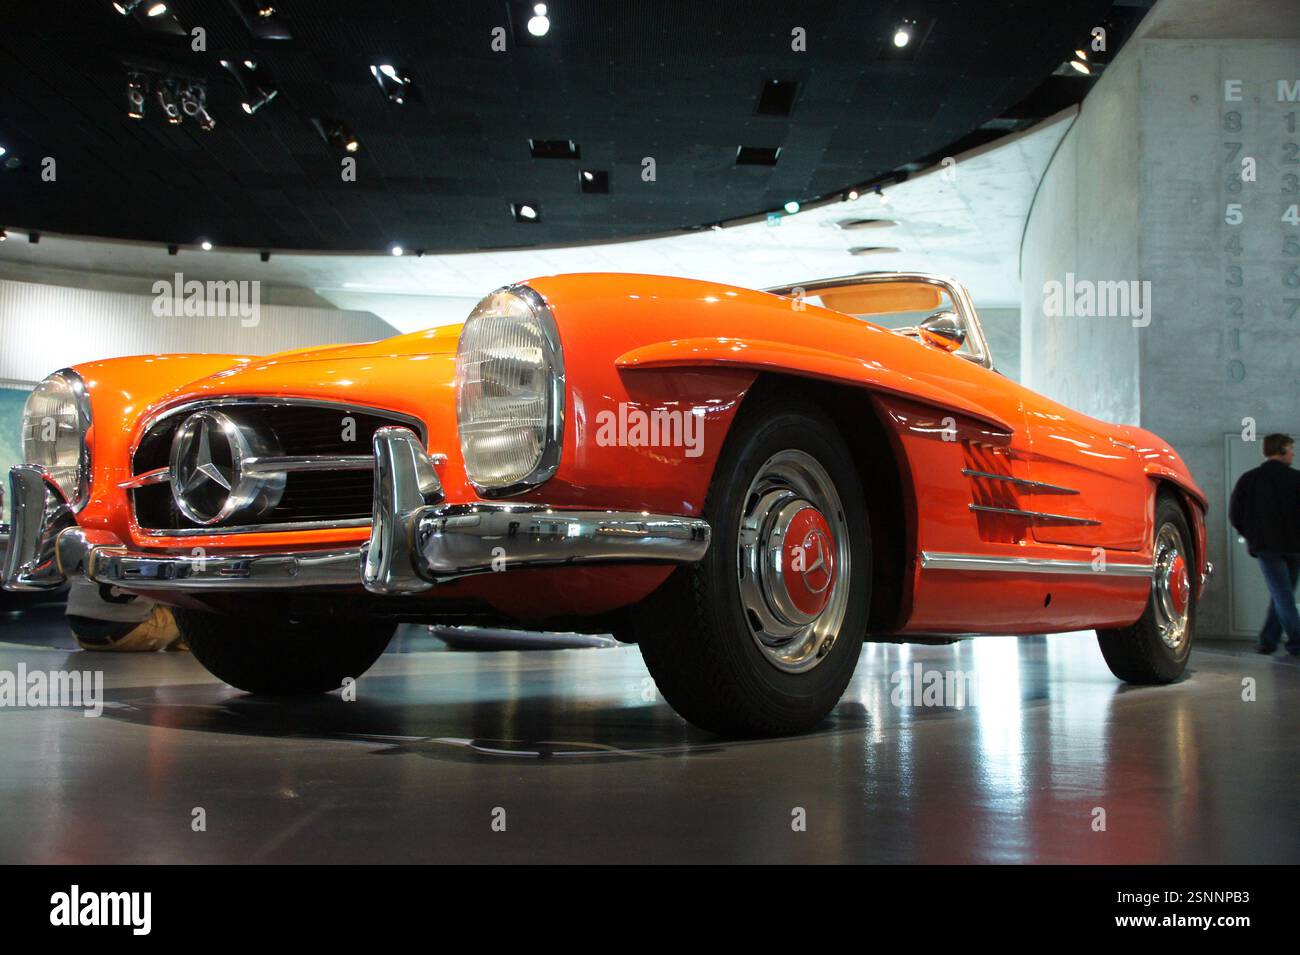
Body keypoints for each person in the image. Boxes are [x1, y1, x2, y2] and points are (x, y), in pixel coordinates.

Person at [1229, 433, 1300, 655]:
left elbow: (1235, 514)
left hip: (1266, 547)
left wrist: (1249, 535)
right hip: (1295, 546)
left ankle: (1269, 640)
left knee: (1281, 594)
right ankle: (1295, 642)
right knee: (1283, 593)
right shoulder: (1297, 479)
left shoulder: (1249, 479)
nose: (1293, 453)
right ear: (1280, 451)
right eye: (1290, 449)